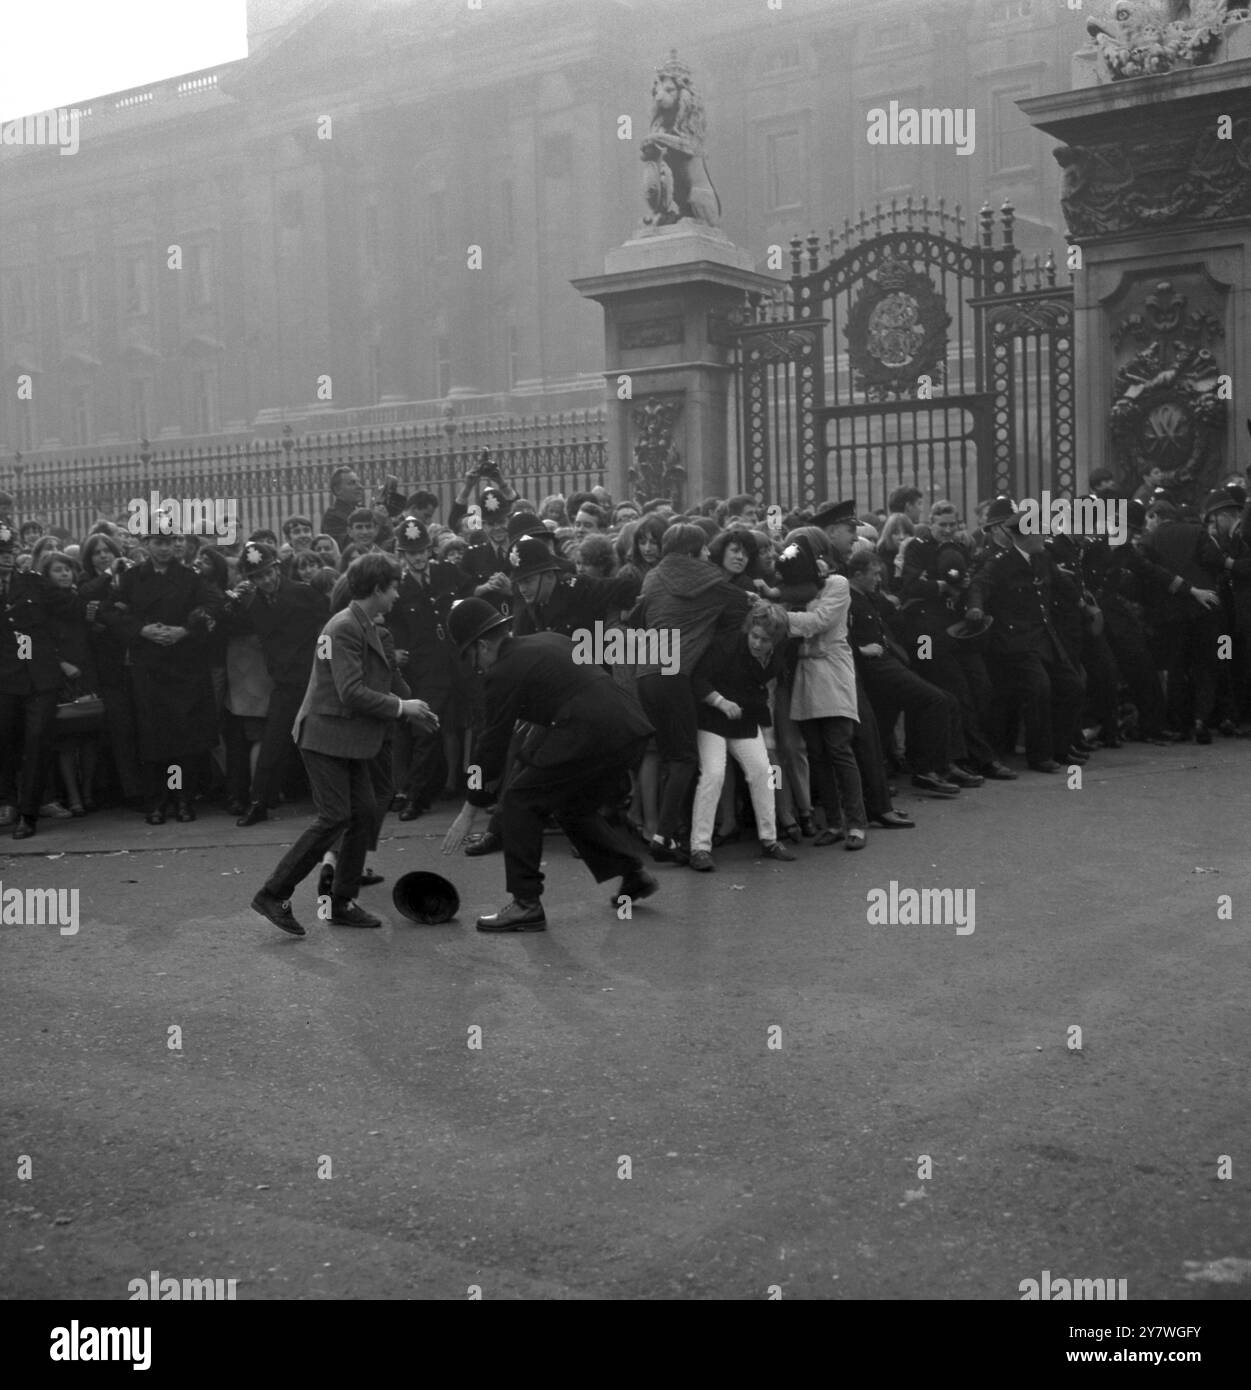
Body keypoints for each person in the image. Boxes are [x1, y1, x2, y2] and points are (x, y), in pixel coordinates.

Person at [251, 553, 440, 937]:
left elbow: (386, 678)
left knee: (365, 811)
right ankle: (274, 893)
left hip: (348, 739)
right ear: (376, 589)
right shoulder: (344, 628)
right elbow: (351, 692)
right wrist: (404, 708)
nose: (398, 596)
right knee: (336, 815)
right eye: (394, 588)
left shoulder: (365, 625)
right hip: (324, 737)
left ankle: (340, 901)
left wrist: (416, 708)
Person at [441, 598, 657, 932]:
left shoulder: (502, 671)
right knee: (573, 807)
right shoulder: (547, 640)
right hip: (629, 729)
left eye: (472, 659)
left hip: (590, 732)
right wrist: (529, 759)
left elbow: (491, 744)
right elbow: (564, 698)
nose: (477, 668)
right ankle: (633, 875)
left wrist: (471, 808)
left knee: (518, 802)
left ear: (482, 645)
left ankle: (526, 903)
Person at [101, 514, 223, 823]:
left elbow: (212, 607)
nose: (165, 549)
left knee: (183, 740)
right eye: (158, 543)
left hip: (183, 666)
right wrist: (141, 630)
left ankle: (181, 799)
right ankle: (156, 801)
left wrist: (184, 630)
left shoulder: (191, 577)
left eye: (170, 542)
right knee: (153, 739)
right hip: (148, 666)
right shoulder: (132, 578)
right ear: (146, 544)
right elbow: (111, 613)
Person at [221, 541, 330, 826]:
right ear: (251, 579)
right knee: (273, 743)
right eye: (258, 576)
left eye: (269, 572)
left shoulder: (303, 593)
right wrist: (231, 603)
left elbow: (329, 623)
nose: (266, 580)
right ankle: (259, 802)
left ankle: (335, 800)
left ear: (277, 568)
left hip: (312, 681)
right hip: (284, 683)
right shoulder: (253, 604)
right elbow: (232, 628)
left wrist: (325, 661)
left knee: (324, 741)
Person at [687, 603, 796, 871]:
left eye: (765, 640)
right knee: (713, 774)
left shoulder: (780, 651)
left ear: (777, 640)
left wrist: (767, 727)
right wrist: (722, 703)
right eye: (754, 636)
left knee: (764, 771)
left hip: (746, 717)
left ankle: (770, 839)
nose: (757, 643)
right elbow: (698, 679)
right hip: (712, 716)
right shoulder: (726, 645)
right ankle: (699, 848)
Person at [0, 519, 82, 838]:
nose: (5, 558)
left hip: (40, 677)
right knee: (5, 740)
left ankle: (29, 814)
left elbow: (70, 603)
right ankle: (7, 800)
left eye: (8, 551)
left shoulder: (33, 583)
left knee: (37, 744)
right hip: (5, 679)